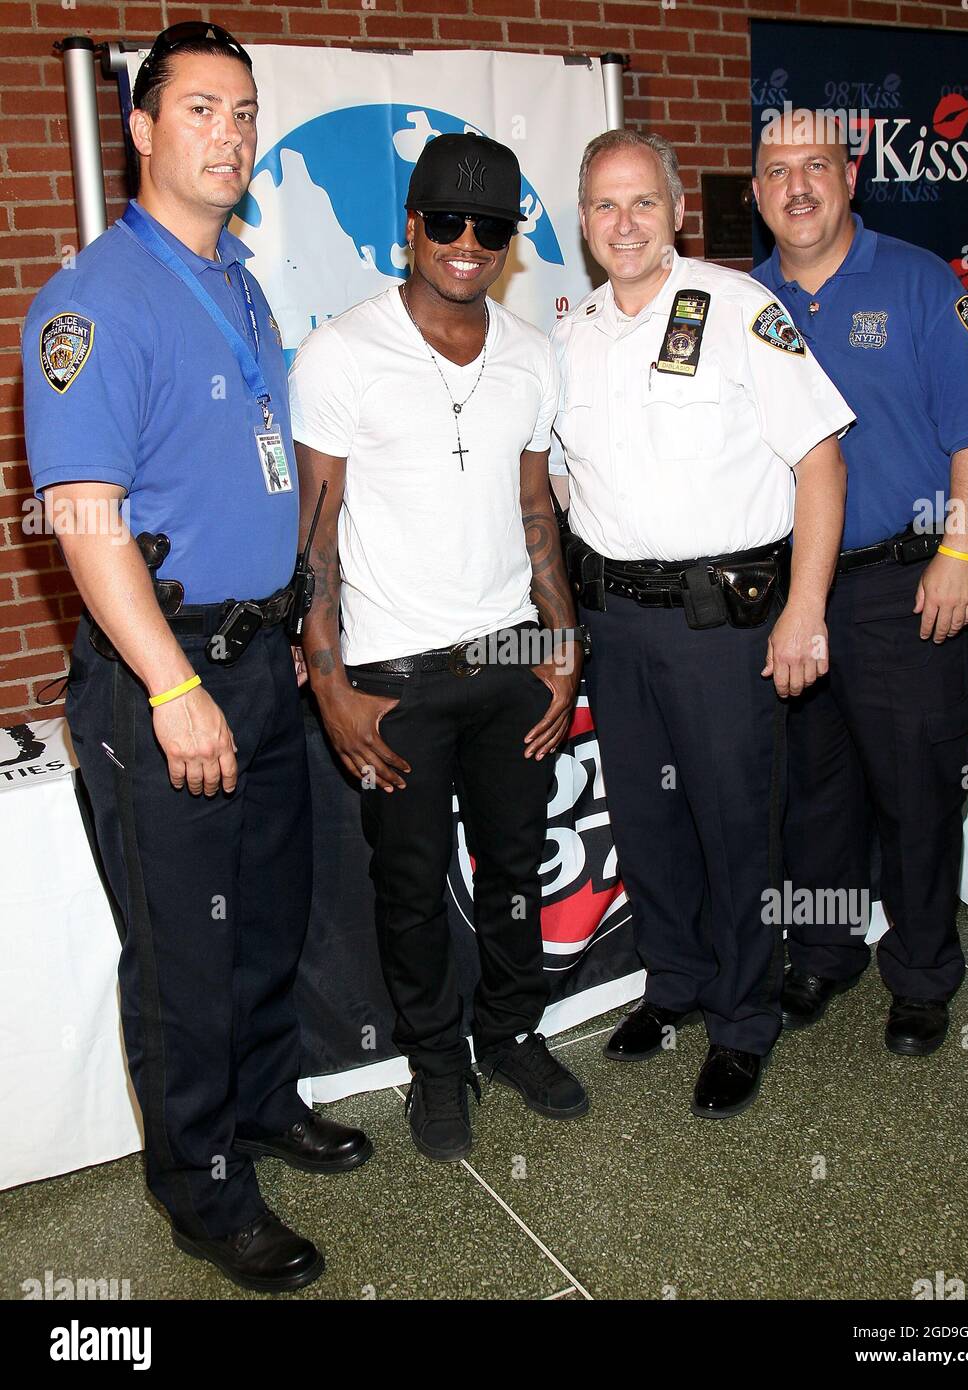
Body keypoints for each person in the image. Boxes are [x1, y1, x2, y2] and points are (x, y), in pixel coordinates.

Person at [22, 22, 370, 1295]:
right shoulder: (93, 305)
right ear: (141, 127)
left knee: (264, 918)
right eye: (201, 110)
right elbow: (82, 513)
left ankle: (267, 1103)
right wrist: (174, 688)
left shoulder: (239, 279)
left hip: (255, 661)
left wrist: (274, 638)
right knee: (181, 950)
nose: (229, 134)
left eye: (243, 112)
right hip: (159, 678)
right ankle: (203, 1186)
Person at [289, 133, 589, 1163]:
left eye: (491, 226)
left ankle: (510, 1032)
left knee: (513, 864)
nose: (468, 243)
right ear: (409, 228)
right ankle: (432, 1061)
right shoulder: (339, 354)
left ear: (509, 241)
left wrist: (562, 642)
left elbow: (534, 508)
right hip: (393, 674)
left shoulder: (530, 356)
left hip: (511, 659)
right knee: (409, 885)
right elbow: (315, 541)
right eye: (447, 222)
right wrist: (328, 685)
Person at [552, 130, 855, 1118]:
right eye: (603, 206)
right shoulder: (570, 334)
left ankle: (740, 1020)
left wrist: (804, 609)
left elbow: (819, 463)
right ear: (582, 222)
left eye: (641, 202)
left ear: (675, 210)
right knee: (646, 820)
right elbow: (560, 478)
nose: (623, 223)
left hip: (720, 624)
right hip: (614, 621)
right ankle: (672, 983)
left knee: (734, 828)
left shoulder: (740, 310)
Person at [752, 112, 968, 1056]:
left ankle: (922, 971)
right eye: (777, 171)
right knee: (816, 792)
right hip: (797, 593)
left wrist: (959, 554)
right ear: (756, 191)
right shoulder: (749, 301)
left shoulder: (917, 281)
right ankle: (826, 951)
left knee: (915, 785)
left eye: (816, 165)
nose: (798, 187)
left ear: (850, 176)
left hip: (910, 585)